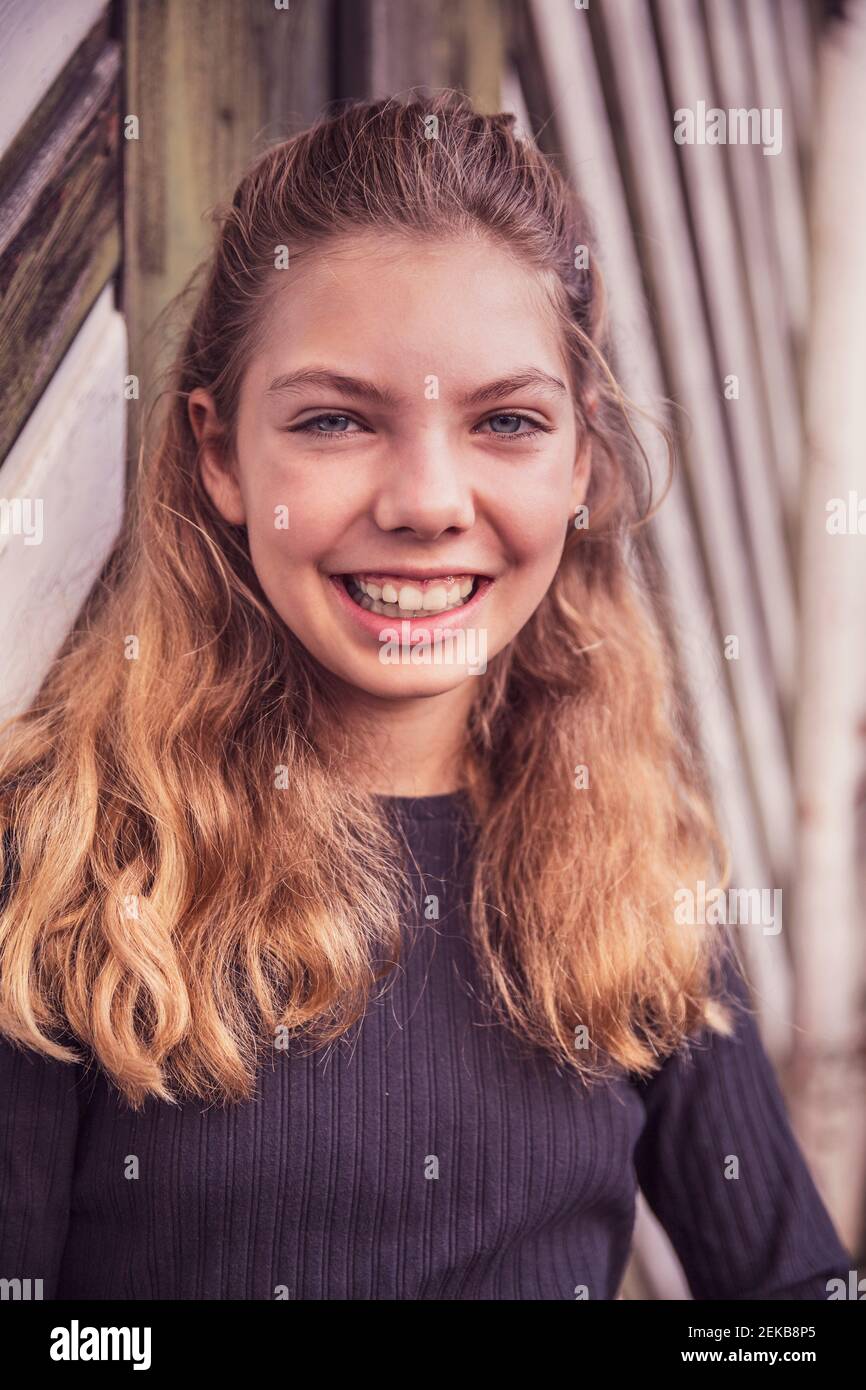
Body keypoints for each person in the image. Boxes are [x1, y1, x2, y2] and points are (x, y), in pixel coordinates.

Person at [0, 93, 852, 1300]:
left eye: (506, 421)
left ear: (580, 460)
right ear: (221, 454)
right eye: (337, 419)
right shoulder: (59, 857)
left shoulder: (628, 865)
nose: (427, 501)